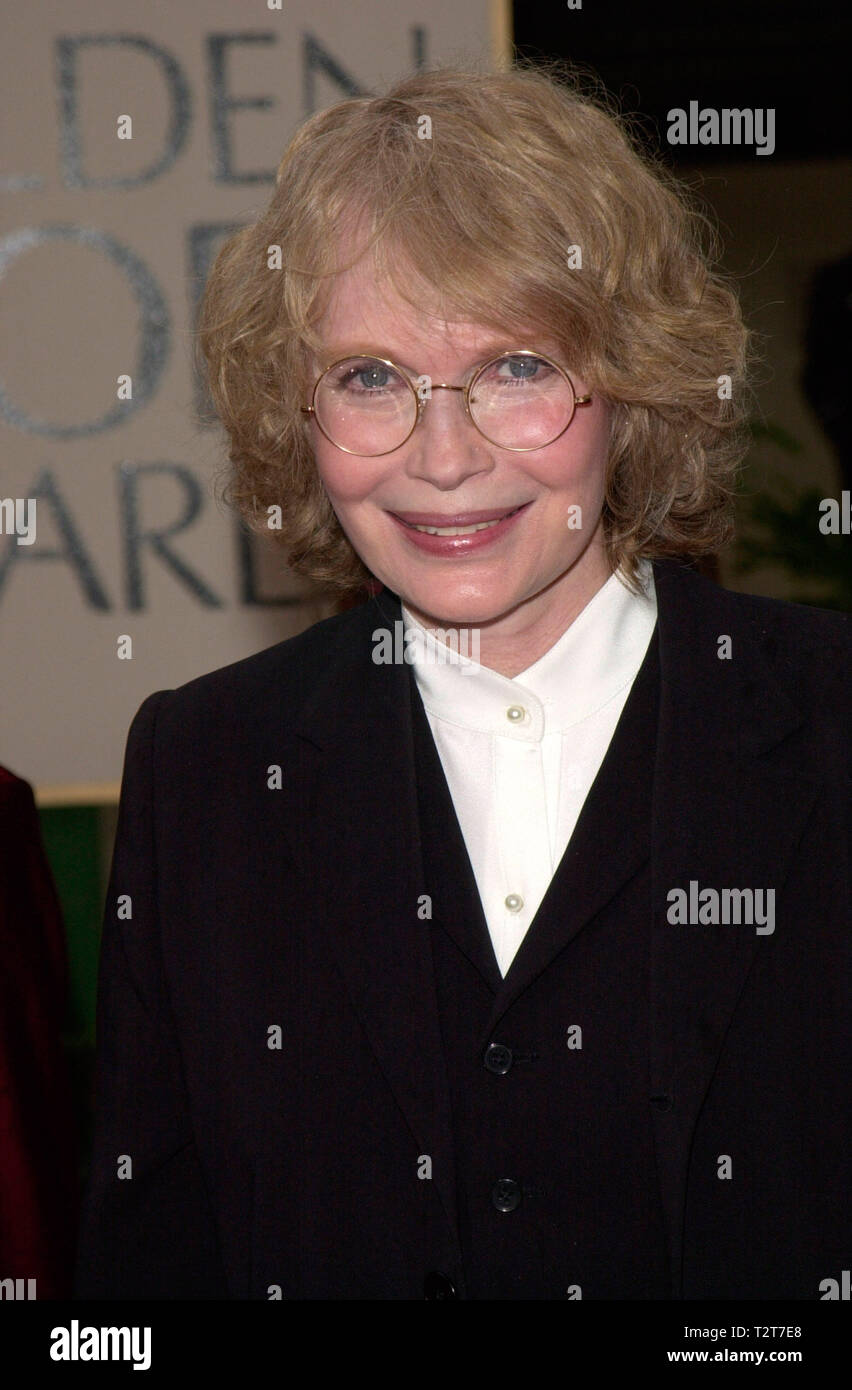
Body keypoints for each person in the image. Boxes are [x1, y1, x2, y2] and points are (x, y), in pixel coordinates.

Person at [75, 61, 850, 1301]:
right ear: (297, 410)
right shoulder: (204, 765)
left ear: (634, 385)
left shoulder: (826, 722)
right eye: (371, 377)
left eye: (518, 369)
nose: (446, 457)